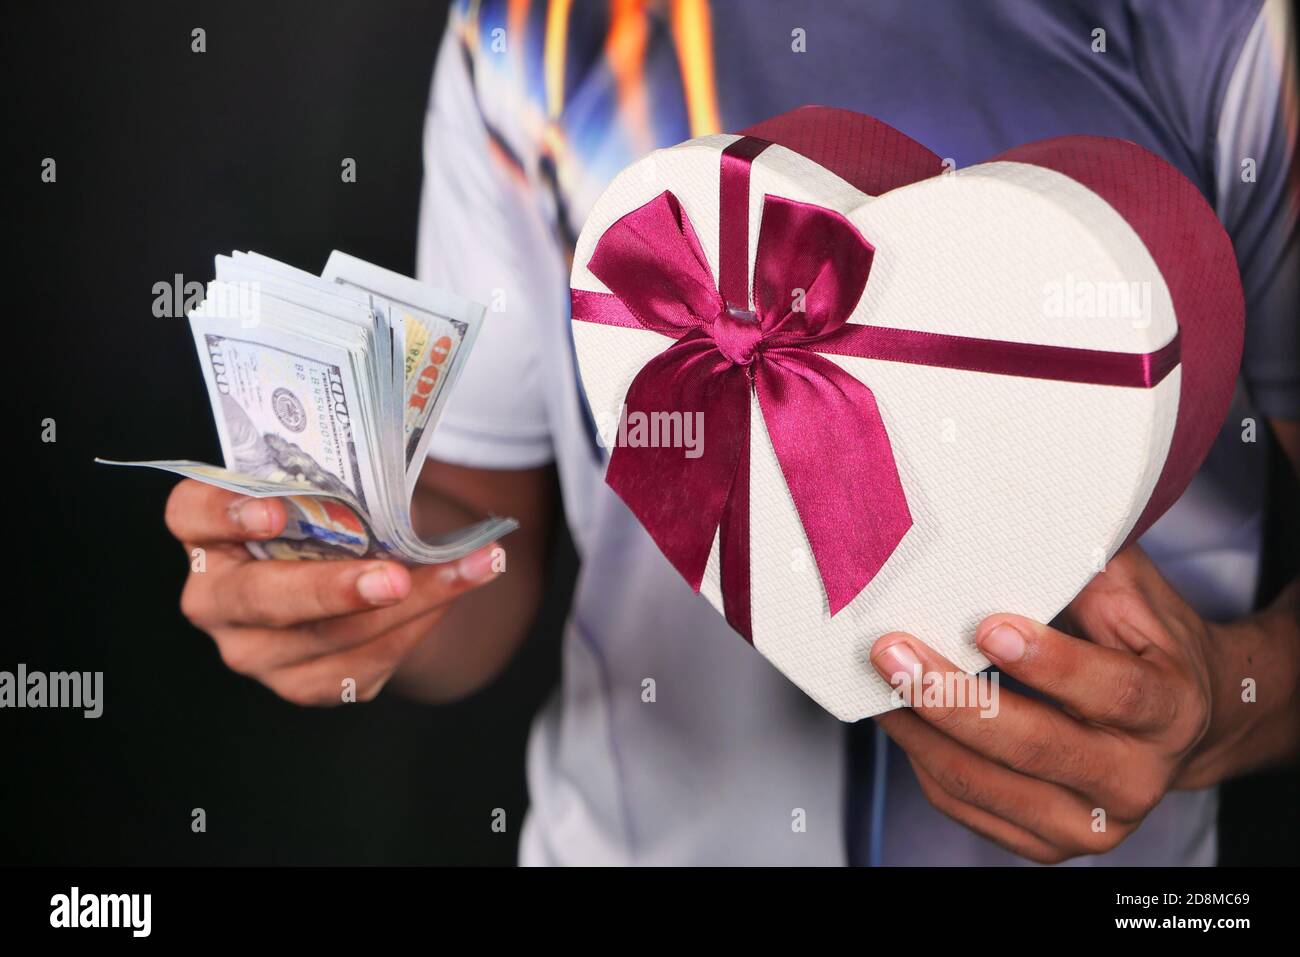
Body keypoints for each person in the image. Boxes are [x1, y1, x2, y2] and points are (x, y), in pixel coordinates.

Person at [163, 0, 1299, 865]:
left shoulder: (1223, 28)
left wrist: (1220, 706)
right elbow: (479, 548)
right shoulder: (526, 30)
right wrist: (359, 594)